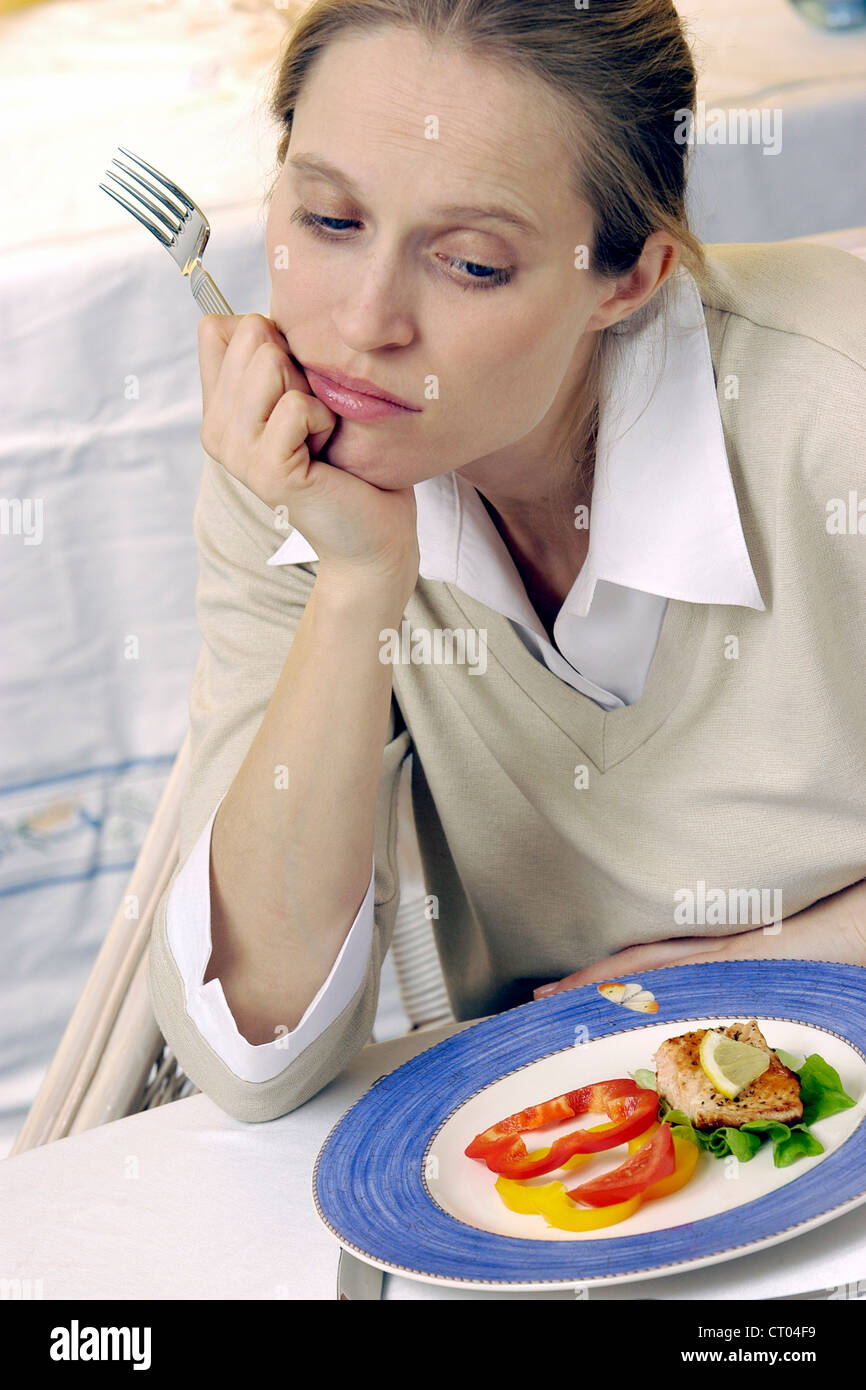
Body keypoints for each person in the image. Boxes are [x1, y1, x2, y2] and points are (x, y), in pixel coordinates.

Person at [147, 0, 866, 1123]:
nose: (363, 321)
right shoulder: (290, 473)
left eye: (472, 264)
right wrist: (355, 585)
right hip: (590, 1177)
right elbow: (256, 1047)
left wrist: (776, 959)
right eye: (328, 219)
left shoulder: (836, 408)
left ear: (629, 278)